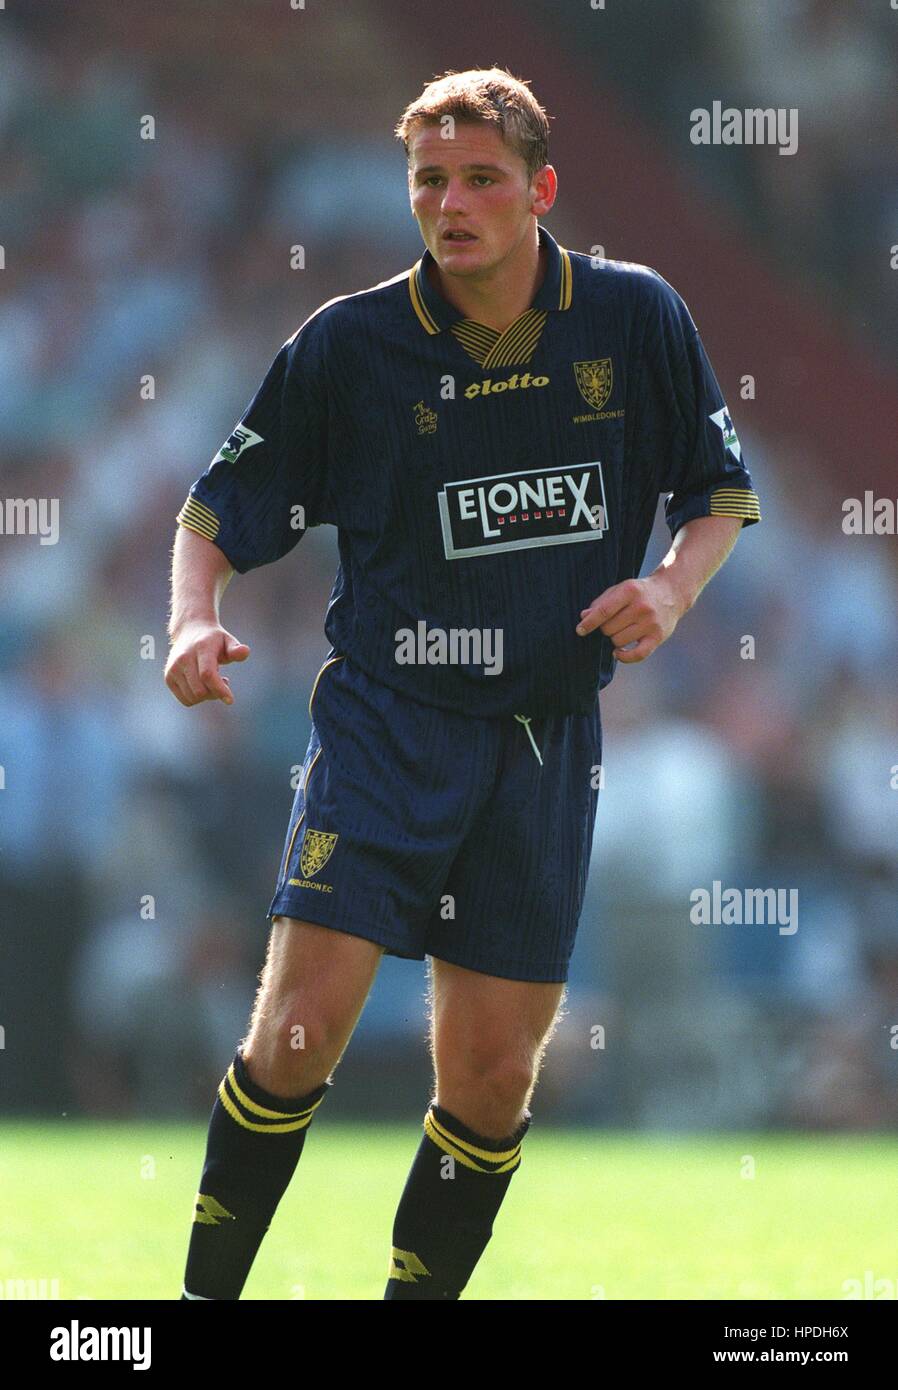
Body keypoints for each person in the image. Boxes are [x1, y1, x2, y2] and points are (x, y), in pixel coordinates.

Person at [165, 66, 761, 1301]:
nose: (452, 202)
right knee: (294, 1037)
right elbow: (214, 510)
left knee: (490, 1080)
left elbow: (714, 497)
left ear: (539, 190)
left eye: (481, 178)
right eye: (430, 180)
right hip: (387, 721)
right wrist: (189, 619)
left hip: (544, 738)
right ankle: (195, 1307)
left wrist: (668, 589)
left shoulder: (636, 318)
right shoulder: (347, 344)